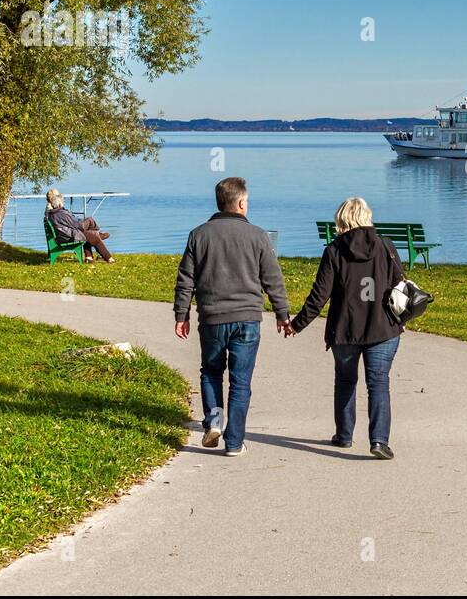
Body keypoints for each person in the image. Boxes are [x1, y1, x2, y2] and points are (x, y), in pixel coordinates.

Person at [173, 177, 291, 457]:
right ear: (240, 203)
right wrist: (282, 313)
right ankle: (234, 442)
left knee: (212, 372)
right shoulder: (258, 236)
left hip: (212, 317)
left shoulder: (199, 235)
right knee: (240, 381)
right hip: (247, 318)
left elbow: (185, 279)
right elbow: (272, 279)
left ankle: (214, 421)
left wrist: (182, 313)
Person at [285, 196, 404, 460]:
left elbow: (319, 296)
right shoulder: (386, 246)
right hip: (383, 328)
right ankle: (379, 440)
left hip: (346, 330)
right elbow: (400, 285)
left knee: (346, 381)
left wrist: (297, 324)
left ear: (342, 219)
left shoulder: (334, 251)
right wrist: (401, 320)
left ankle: (345, 435)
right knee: (379, 383)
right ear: (367, 217)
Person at [45, 189, 113, 263]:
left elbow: (71, 223)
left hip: (65, 235)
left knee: (90, 233)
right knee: (93, 232)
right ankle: (109, 258)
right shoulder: (61, 213)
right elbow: (78, 225)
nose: (64, 202)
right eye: (62, 201)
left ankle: (89, 257)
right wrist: (82, 221)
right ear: (59, 203)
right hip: (70, 236)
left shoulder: (53, 213)